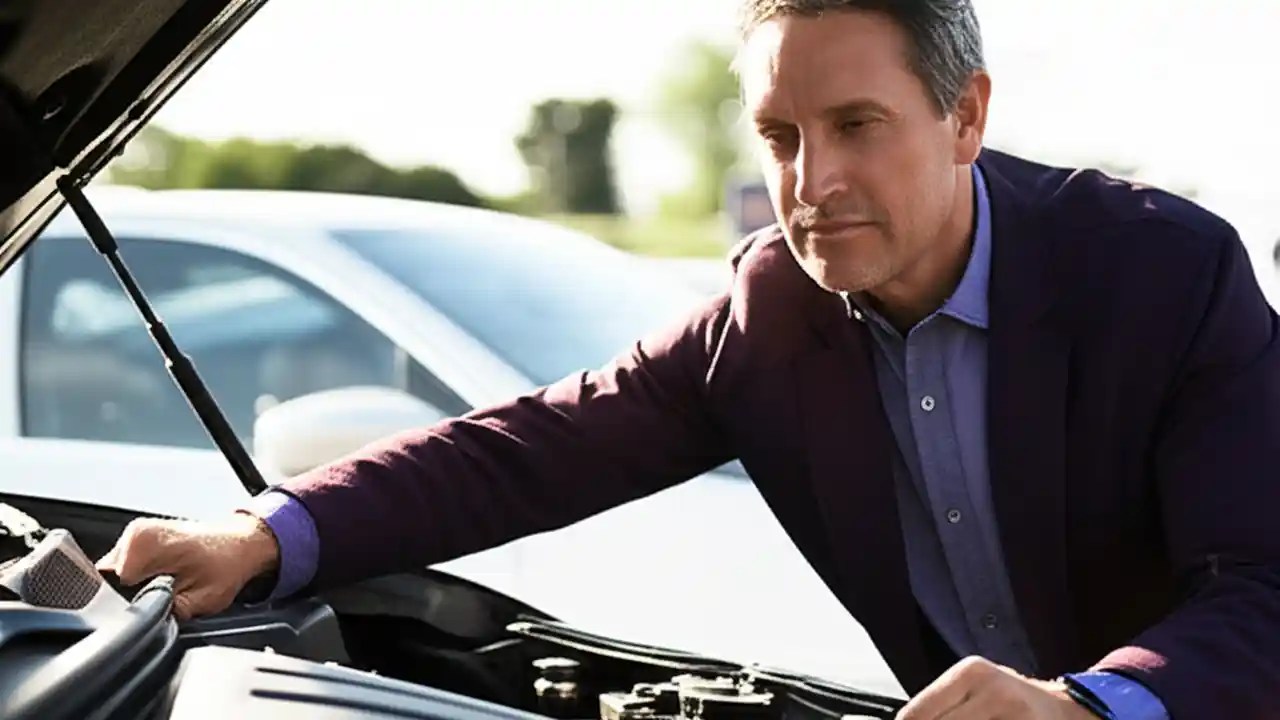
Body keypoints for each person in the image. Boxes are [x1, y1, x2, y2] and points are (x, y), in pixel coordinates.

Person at [97, 1, 1280, 718]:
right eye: (778, 136)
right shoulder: (768, 308)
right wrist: (261, 536)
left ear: (963, 116)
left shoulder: (1161, 274)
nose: (809, 185)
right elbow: (534, 446)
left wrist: (1086, 705)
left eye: (855, 127)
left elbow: (1263, 593)